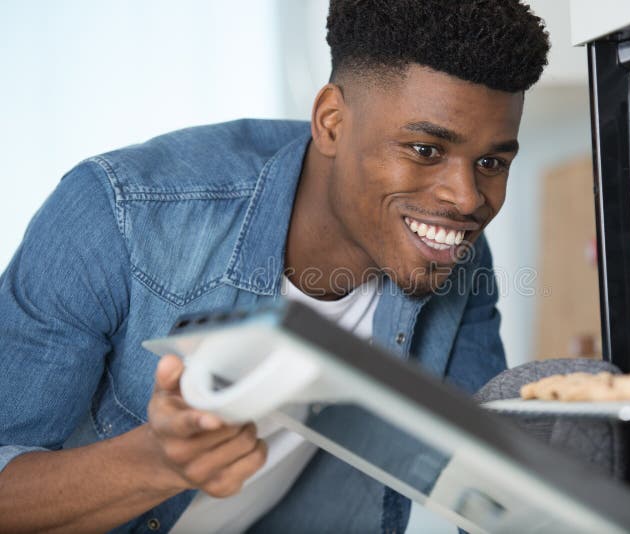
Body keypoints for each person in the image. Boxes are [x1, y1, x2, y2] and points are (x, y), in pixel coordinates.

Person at [0, 0, 550, 532]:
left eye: (491, 162)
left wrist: (575, 426)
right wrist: (158, 462)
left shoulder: (450, 254)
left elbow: (490, 486)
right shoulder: (119, 214)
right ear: (332, 122)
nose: (466, 197)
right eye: (426, 150)